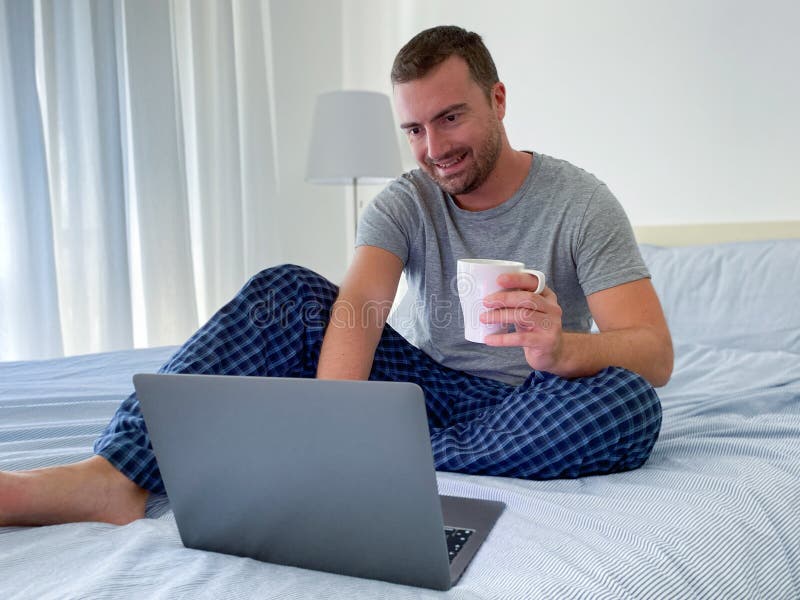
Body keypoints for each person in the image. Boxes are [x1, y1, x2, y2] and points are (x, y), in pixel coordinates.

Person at [0, 25, 672, 528]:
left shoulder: (581, 204)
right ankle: (111, 476)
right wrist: (334, 428)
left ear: (497, 100)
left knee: (629, 403)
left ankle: (352, 452)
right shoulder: (406, 202)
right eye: (414, 129)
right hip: (426, 392)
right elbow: (358, 308)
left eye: (450, 118)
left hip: (537, 398)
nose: (434, 148)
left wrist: (563, 349)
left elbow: (654, 354)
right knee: (286, 291)